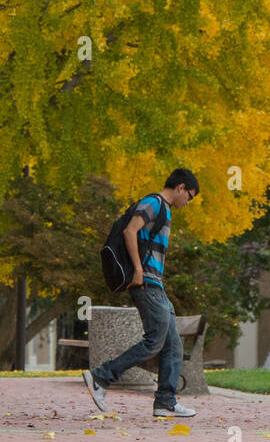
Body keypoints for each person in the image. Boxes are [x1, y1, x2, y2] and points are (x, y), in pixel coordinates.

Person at [84, 169, 200, 418]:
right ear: (180, 187)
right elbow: (130, 231)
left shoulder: (164, 209)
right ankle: (101, 376)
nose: (188, 202)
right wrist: (137, 269)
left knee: (173, 345)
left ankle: (165, 402)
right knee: (154, 342)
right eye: (189, 196)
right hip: (145, 283)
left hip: (156, 286)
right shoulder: (154, 203)